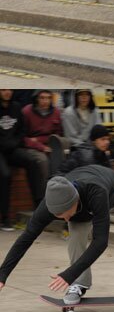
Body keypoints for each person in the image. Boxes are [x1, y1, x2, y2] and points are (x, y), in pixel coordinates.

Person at [0, 165, 114, 306]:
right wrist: (3, 273)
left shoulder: (95, 190)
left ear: (75, 200)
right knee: (75, 236)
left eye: (66, 214)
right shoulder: (50, 203)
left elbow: (101, 242)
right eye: (59, 216)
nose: (66, 219)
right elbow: (26, 237)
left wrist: (68, 274)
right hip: (85, 207)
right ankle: (80, 282)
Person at [0, 89, 46, 231]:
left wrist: (15, 142)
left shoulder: (16, 107)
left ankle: (39, 208)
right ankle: (5, 218)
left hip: (13, 149)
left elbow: (22, 130)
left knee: (32, 161)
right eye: (3, 89)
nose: (7, 92)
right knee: (5, 175)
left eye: (9, 89)